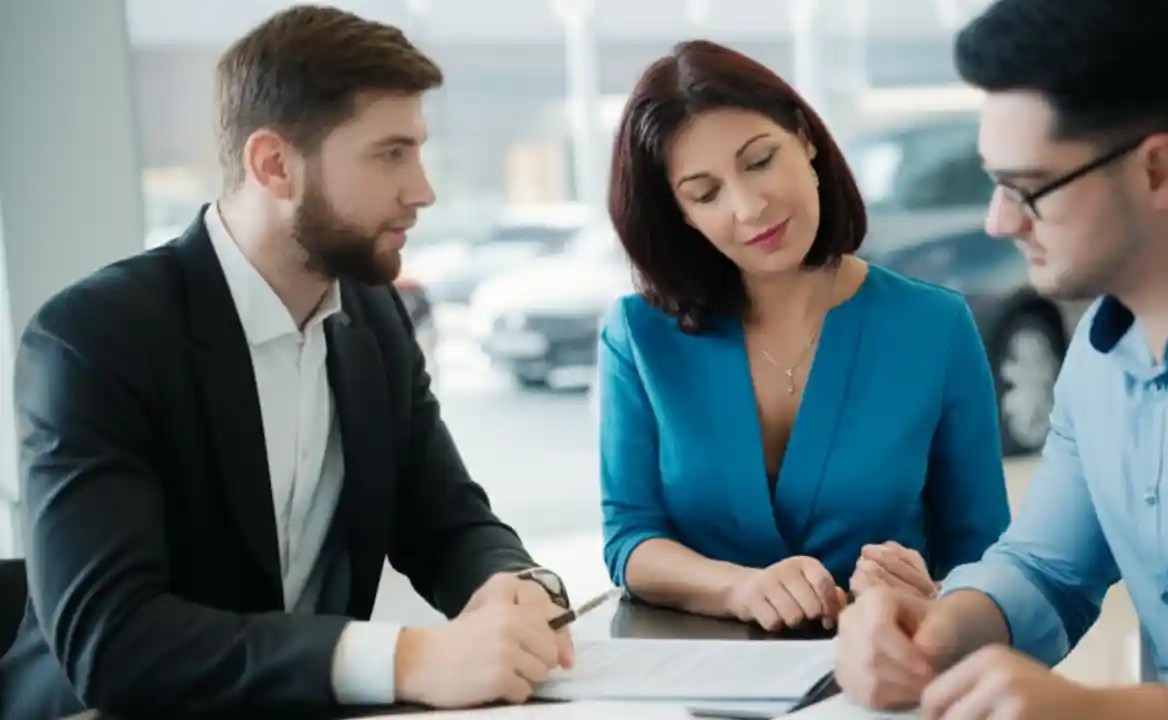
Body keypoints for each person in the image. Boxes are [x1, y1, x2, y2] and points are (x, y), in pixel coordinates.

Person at [0, 7, 573, 719]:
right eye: (389, 154)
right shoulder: (93, 340)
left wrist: (512, 585)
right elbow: (112, 639)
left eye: (419, 151)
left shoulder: (374, 318)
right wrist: (408, 658)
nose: (423, 189)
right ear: (274, 164)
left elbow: (447, 522)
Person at [836, 1, 1168, 718]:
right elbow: (1046, 568)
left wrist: (1106, 713)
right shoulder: (1101, 359)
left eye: (1028, 188)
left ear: (1160, 171)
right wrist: (938, 630)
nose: (999, 221)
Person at [598, 39, 1011, 633]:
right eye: (705, 193)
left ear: (806, 139)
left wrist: (932, 592)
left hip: (886, 673)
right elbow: (630, 539)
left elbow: (985, 556)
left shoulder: (935, 326)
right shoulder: (638, 334)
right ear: (681, 215)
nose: (748, 206)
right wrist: (740, 588)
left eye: (760, 160)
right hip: (698, 681)